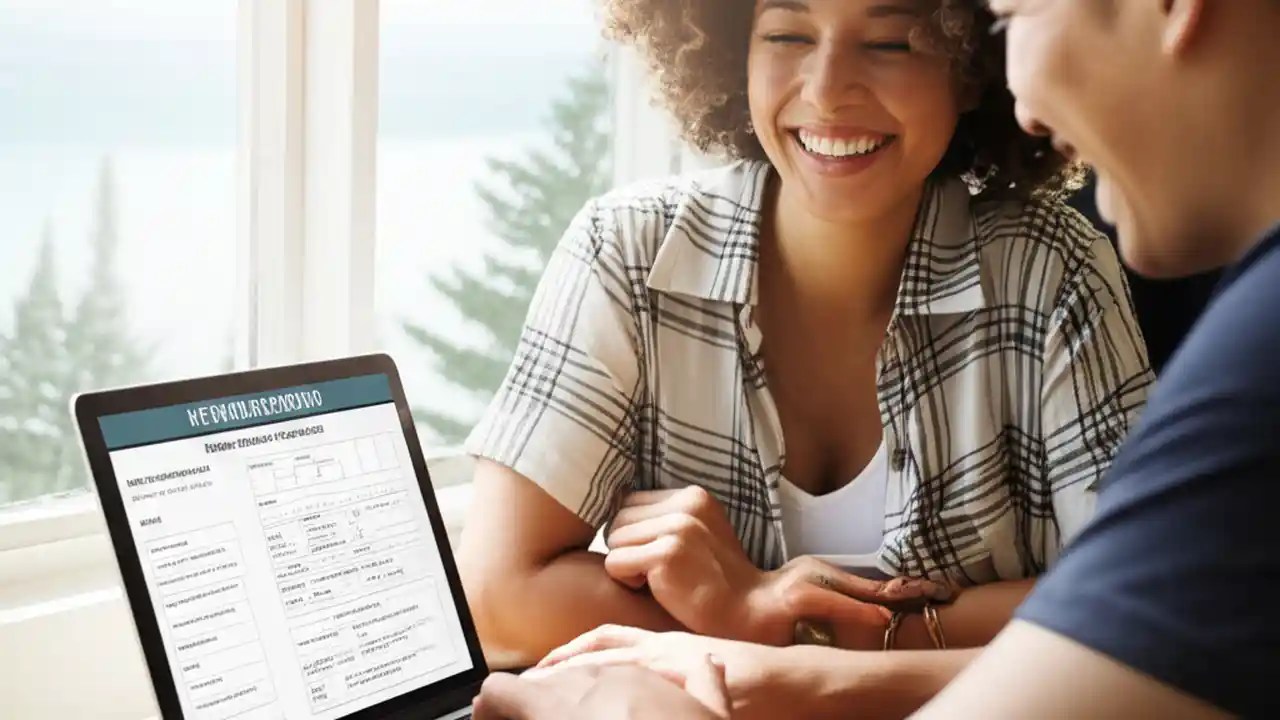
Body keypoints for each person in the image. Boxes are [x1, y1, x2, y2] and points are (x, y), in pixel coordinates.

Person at [472, 0, 1280, 717]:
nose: (827, 90)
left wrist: (774, 623)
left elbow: (1116, 611)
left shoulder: (1065, 271)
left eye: (892, 43)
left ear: (971, 66)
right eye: (787, 32)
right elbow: (499, 595)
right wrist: (770, 635)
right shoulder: (630, 248)